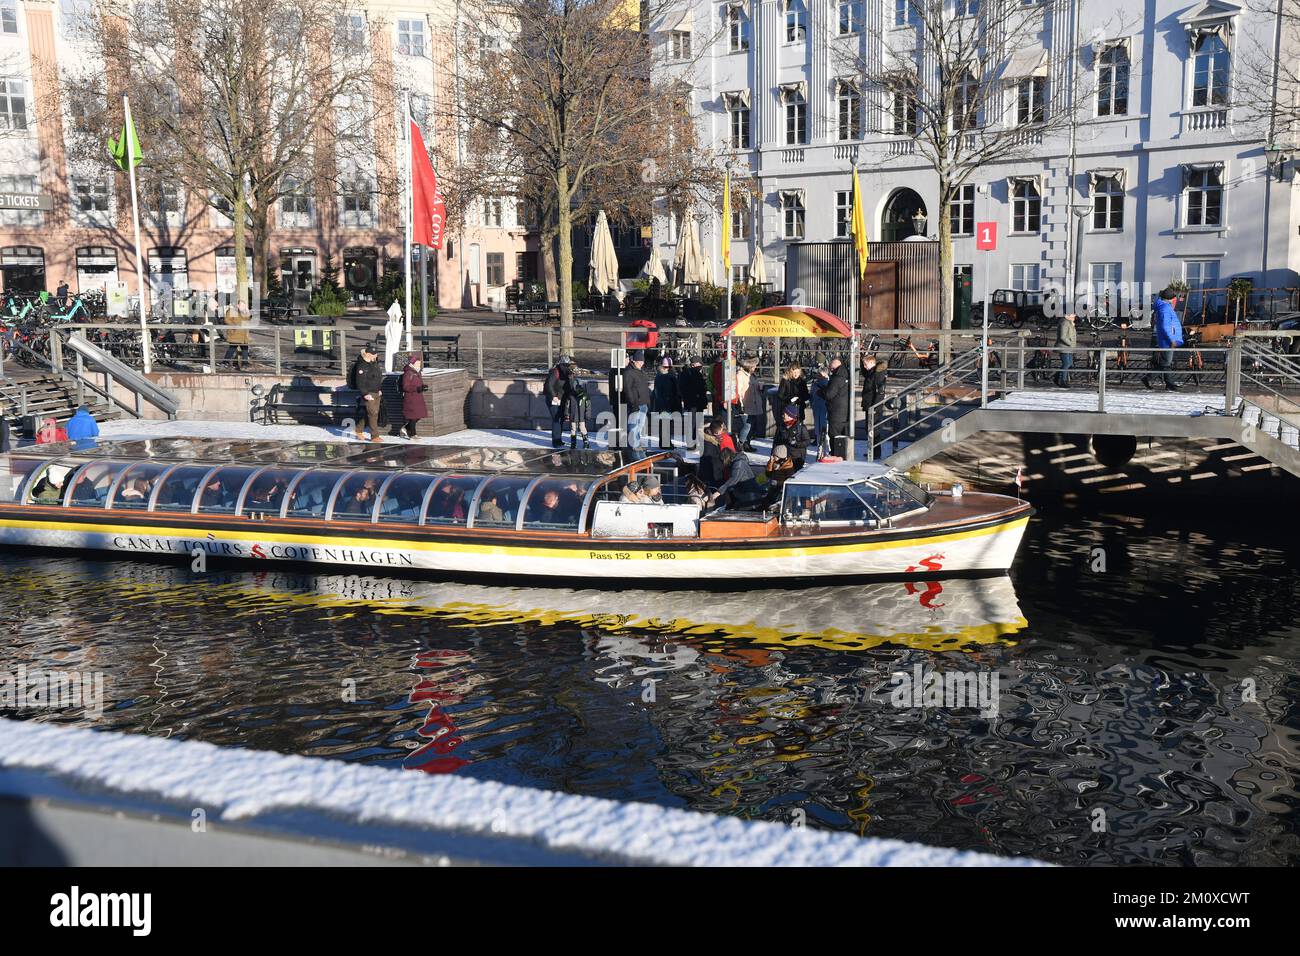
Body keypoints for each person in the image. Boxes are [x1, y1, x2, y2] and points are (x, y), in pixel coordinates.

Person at [1144, 288, 1185, 391]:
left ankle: (1165, 383)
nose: (1174, 299)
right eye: (1173, 298)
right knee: (1166, 363)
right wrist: (1172, 340)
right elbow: (1165, 326)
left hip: (1167, 339)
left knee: (1165, 363)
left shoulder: (1165, 307)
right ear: (1169, 299)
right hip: (1167, 341)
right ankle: (1166, 383)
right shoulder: (1165, 309)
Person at [349, 343, 384, 443]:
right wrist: (365, 394)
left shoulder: (373, 363)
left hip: (376, 391)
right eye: (373, 354)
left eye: (376, 354)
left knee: (370, 413)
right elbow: (360, 382)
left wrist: (379, 389)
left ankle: (358, 430)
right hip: (369, 393)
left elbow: (376, 378)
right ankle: (374, 436)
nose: (375, 356)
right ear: (368, 354)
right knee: (373, 413)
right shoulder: (362, 365)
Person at [623, 349, 651, 461]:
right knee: (633, 428)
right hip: (636, 405)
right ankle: (634, 452)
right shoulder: (629, 372)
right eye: (639, 361)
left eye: (642, 361)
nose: (641, 363)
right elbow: (628, 389)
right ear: (634, 361)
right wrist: (633, 404)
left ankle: (637, 448)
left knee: (638, 428)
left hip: (643, 404)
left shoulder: (641, 372)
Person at [822, 358, 851, 458]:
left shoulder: (836, 378)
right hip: (845, 412)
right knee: (844, 437)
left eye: (830, 369)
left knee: (834, 436)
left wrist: (822, 391)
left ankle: (835, 455)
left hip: (836, 412)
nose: (830, 371)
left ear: (833, 368)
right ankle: (844, 455)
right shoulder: (846, 374)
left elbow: (829, 394)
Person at [544, 355, 575, 448]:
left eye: (568, 364)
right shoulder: (555, 371)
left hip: (562, 399)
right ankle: (556, 441)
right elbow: (549, 385)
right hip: (554, 399)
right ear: (561, 364)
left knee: (561, 419)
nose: (567, 366)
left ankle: (559, 439)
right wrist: (553, 396)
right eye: (565, 365)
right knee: (556, 419)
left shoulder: (567, 372)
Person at [652, 356, 681, 449]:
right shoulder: (668, 377)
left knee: (664, 424)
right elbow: (671, 392)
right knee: (666, 424)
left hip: (662, 404)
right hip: (667, 404)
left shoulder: (659, 376)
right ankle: (665, 443)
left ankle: (665, 442)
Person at [773, 405, 811, 471]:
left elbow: (807, 441)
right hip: (783, 457)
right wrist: (773, 454)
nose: (783, 416)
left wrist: (796, 443)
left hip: (797, 458)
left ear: (791, 416)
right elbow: (775, 442)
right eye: (783, 414)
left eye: (785, 414)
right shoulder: (781, 427)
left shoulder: (801, 427)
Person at [698, 418, 735, 486]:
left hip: (704, 475)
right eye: (722, 426)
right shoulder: (724, 438)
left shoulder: (706, 439)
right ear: (718, 431)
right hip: (719, 474)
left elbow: (700, 431)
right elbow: (731, 455)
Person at [400, 355, 429, 439]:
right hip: (411, 397)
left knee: (419, 415)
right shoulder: (409, 373)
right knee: (413, 416)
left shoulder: (417, 372)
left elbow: (417, 383)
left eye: (420, 363)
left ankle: (406, 428)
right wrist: (417, 388)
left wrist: (422, 386)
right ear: (412, 364)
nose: (419, 365)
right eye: (417, 363)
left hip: (418, 397)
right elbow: (405, 386)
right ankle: (413, 434)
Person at [740, 356, 766, 451]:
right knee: (747, 425)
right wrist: (740, 404)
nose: (755, 367)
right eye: (754, 365)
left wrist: (760, 389)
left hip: (753, 404)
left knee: (752, 426)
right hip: (746, 404)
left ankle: (747, 444)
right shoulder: (741, 375)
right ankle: (741, 444)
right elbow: (739, 390)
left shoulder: (753, 375)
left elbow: (755, 390)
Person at [810, 364, 830, 457]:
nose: (820, 376)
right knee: (819, 433)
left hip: (824, 410)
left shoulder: (826, 384)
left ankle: (825, 452)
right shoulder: (815, 384)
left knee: (824, 433)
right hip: (818, 410)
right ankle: (820, 451)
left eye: (821, 375)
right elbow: (811, 397)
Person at [222, 306, 251, 370]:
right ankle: (225, 362)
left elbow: (248, 319)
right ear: (238, 305)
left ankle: (244, 363)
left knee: (244, 348)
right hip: (235, 333)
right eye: (242, 305)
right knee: (233, 348)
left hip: (242, 334)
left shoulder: (243, 312)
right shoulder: (232, 311)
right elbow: (226, 319)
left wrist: (248, 312)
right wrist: (234, 326)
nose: (243, 306)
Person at [1055, 312, 1077, 388]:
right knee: (1066, 363)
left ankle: (1057, 377)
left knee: (1069, 363)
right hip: (1064, 347)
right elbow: (1062, 337)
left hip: (1069, 348)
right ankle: (1062, 380)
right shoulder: (1065, 323)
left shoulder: (1070, 323)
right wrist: (1070, 343)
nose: (1075, 316)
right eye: (1073, 314)